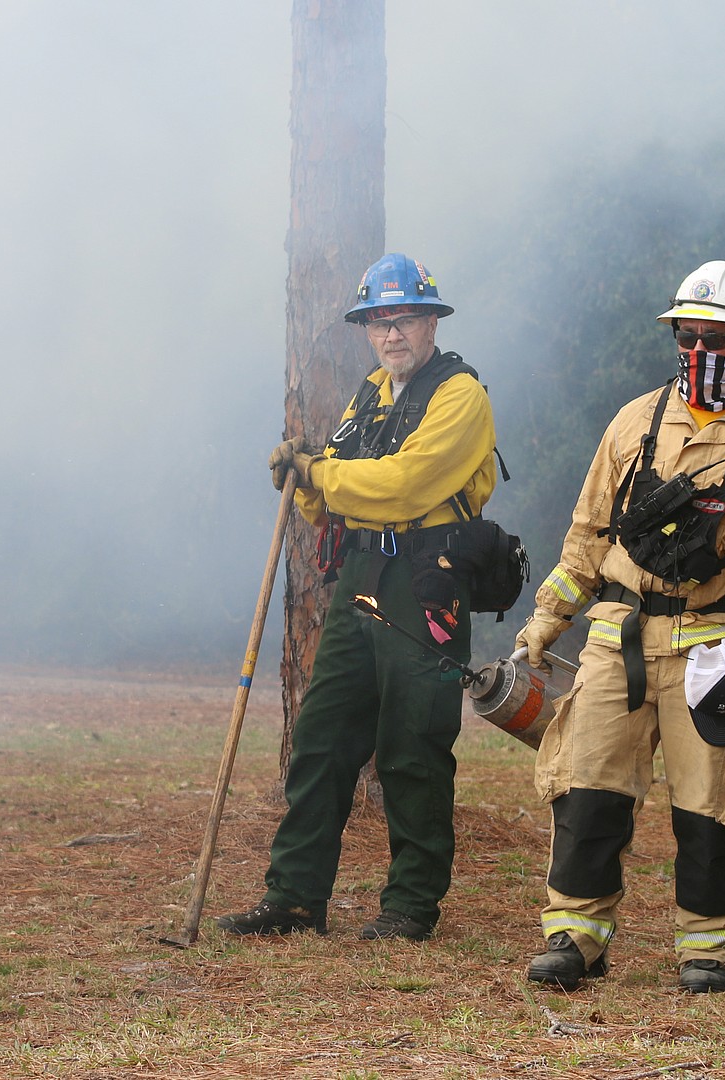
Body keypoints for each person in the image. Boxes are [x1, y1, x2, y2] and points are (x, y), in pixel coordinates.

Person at [515, 261, 725, 993]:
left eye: (721, 337)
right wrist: (549, 617)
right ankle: (575, 935)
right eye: (689, 333)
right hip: (620, 634)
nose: (703, 348)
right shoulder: (635, 421)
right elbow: (587, 532)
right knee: (589, 786)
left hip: (717, 641)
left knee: (710, 801)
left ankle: (705, 948)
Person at [216, 252, 498, 944]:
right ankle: (293, 896)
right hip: (363, 575)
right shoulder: (371, 393)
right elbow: (334, 503)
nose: (391, 333)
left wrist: (321, 472)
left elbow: (402, 485)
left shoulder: (461, 395)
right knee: (321, 739)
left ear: (432, 322)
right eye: (378, 321)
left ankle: (410, 906)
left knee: (413, 745)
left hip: (427, 581)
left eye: (404, 319)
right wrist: (305, 481)